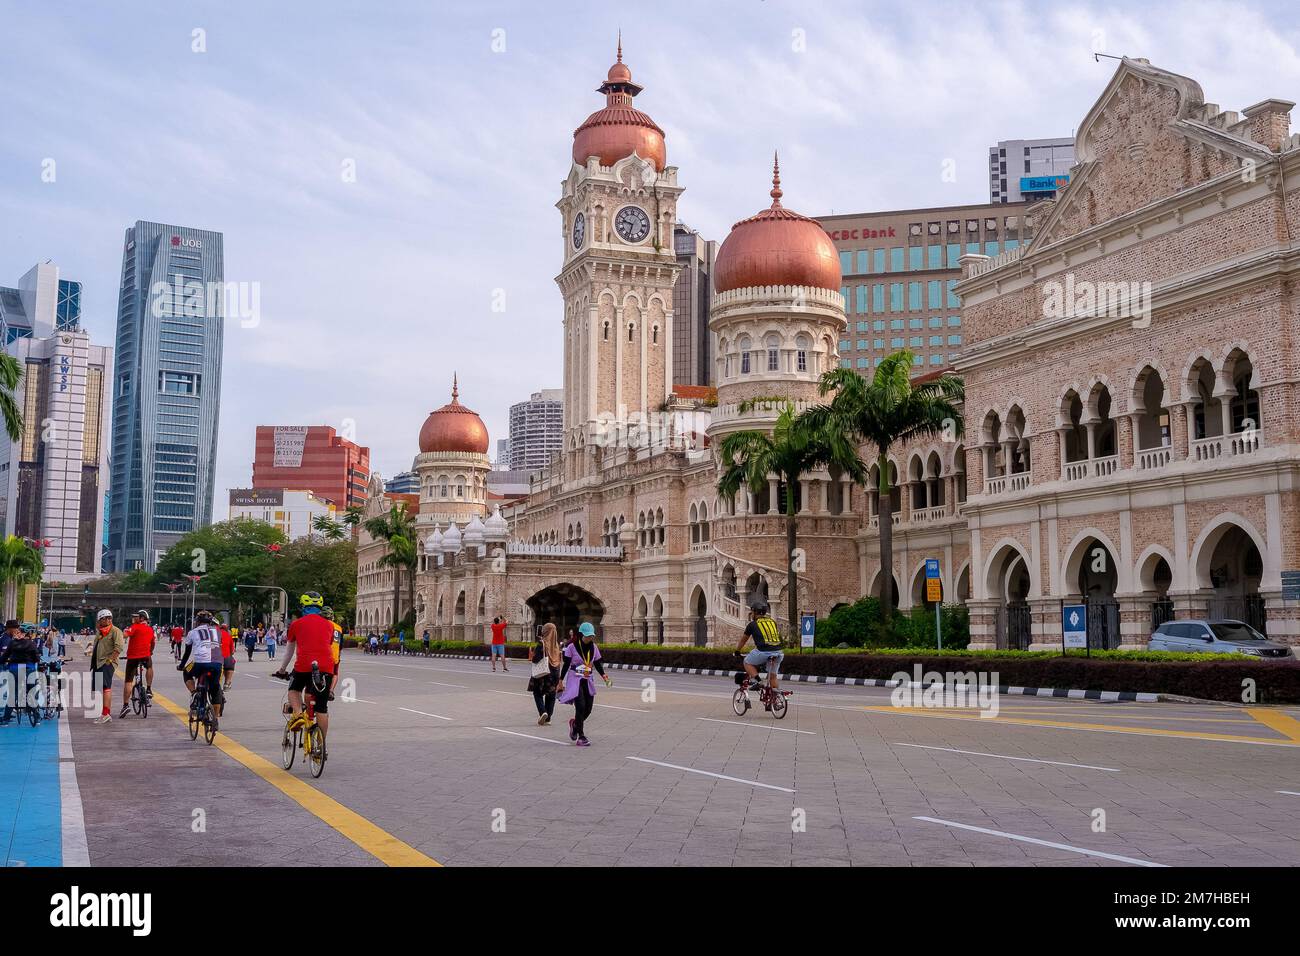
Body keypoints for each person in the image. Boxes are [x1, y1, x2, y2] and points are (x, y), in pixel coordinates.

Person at [273, 591, 338, 750]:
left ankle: (298, 714)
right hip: (326, 667)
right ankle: (320, 746)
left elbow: (289, 651)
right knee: (322, 708)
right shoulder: (329, 625)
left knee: (294, 689)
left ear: (303, 606)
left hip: (303, 665)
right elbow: (328, 645)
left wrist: (282, 669)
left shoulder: (296, 624)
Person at [557, 622, 610, 746]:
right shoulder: (571, 647)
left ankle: (575, 724)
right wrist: (560, 680)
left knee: (588, 708)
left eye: (591, 635)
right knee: (580, 706)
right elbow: (566, 665)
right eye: (587, 636)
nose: (590, 638)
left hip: (587, 678)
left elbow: (597, 663)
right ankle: (581, 736)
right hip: (575, 678)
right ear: (581, 635)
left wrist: (604, 677)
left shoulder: (594, 647)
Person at [735, 600, 785, 709]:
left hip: (764, 652)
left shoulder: (752, 625)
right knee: (773, 676)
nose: (751, 614)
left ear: (755, 612)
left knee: (747, 661)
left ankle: (758, 681)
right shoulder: (772, 622)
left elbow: (743, 641)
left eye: (752, 612)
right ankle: (776, 701)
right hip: (779, 652)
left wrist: (737, 651)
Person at [178, 610, 224, 724]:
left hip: (200, 663)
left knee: (186, 672)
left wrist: (182, 665)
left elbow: (187, 652)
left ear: (197, 621)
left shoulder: (192, 632)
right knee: (215, 688)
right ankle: (215, 719)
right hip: (217, 663)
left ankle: (194, 693)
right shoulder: (218, 631)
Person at [88, 609, 125, 724]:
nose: (108, 620)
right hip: (98, 663)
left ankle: (106, 714)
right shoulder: (100, 632)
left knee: (106, 687)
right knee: (100, 688)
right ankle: (104, 712)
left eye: (110, 618)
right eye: (105, 618)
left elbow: (118, 647)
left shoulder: (115, 631)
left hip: (107, 663)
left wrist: (110, 660)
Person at [118, 610, 157, 719]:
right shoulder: (150, 629)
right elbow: (153, 643)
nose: (134, 618)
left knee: (128, 681)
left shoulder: (135, 626)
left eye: (136, 616)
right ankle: (148, 689)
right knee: (149, 666)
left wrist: (122, 634)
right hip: (146, 655)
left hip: (133, 657)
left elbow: (125, 635)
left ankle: (125, 705)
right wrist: (151, 652)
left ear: (141, 618)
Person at [0, 620, 39, 723]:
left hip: (15, 669)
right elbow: (36, 657)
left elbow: (4, 657)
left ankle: (6, 719)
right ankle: (36, 716)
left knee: (13, 693)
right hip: (29, 668)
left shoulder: (12, 643)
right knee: (31, 691)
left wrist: (5, 661)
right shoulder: (31, 643)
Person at [527, 623, 562, 725]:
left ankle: (543, 712)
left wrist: (534, 655)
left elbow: (535, 659)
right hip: (554, 673)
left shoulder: (542, 643)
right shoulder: (556, 645)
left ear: (545, 631)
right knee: (551, 695)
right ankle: (548, 718)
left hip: (543, 674)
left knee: (537, 693)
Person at [219, 618, 236, 691]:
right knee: (230, 666)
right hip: (226, 657)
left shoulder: (215, 634)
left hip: (214, 658)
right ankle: (227, 683)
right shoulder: (228, 636)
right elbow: (232, 651)